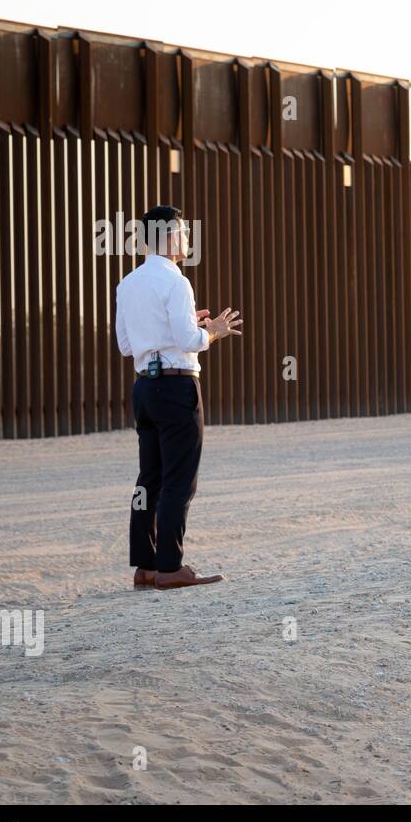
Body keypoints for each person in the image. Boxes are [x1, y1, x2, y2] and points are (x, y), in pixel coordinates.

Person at [115, 205, 243, 590]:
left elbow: (126, 345)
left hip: (144, 388)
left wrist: (188, 325)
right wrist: (214, 330)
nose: (188, 238)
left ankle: (146, 566)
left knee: (148, 479)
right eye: (185, 231)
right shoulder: (177, 281)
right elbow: (189, 342)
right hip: (176, 386)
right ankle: (171, 567)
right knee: (179, 479)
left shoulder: (128, 283)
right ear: (170, 236)